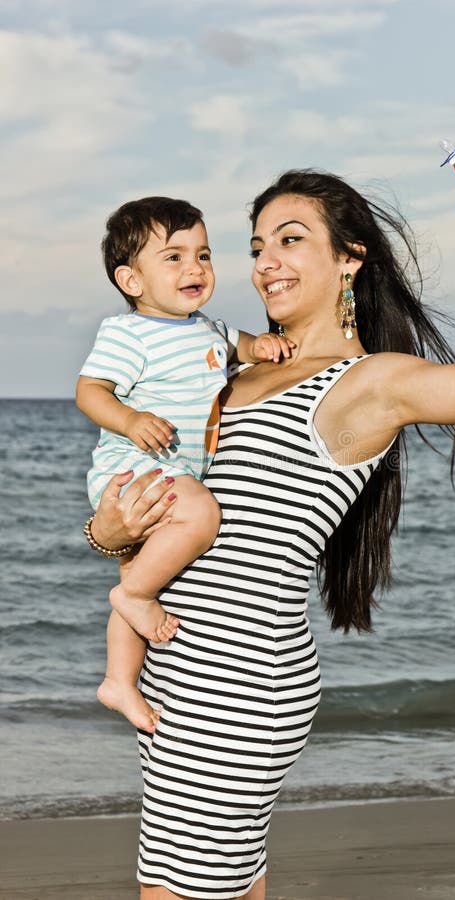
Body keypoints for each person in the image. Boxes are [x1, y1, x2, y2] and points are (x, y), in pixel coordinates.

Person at [86, 156, 455, 900]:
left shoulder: (363, 383)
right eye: (257, 245)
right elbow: (158, 528)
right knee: (209, 885)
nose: (265, 263)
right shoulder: (225, 373)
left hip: (237, 686)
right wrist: (107, 530)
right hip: (179, 674)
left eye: (290, 240)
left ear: (349, 260)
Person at [77, 196, 293, 733]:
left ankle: (119, 681)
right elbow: (90, 390)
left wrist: (261, 346)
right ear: (131, 280)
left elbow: (237, 347)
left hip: (169, 475)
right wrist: (128, 420)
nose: (194, 268)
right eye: (173, 257)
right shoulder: (128, 333)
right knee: (196, 520)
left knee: (138, 566)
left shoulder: (212, 331)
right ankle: (134, 596)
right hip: (133, 467)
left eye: (203, 254)